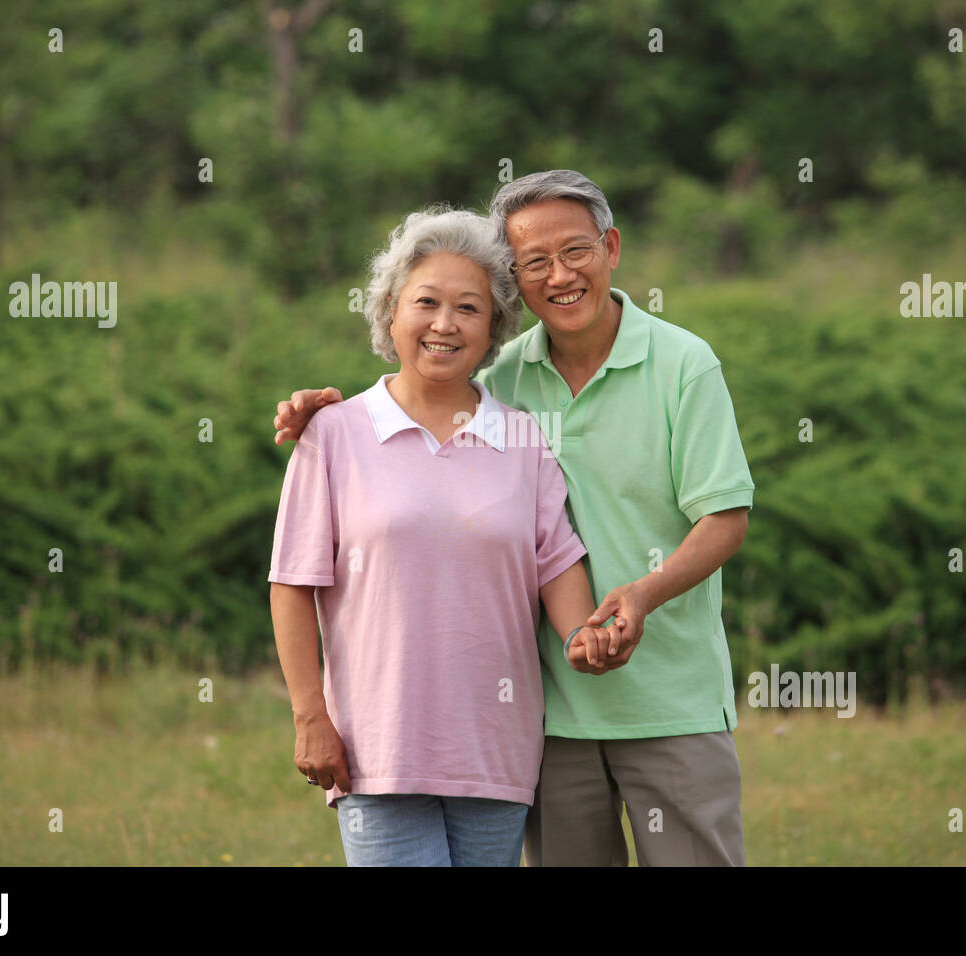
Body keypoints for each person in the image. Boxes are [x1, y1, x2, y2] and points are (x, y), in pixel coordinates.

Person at [275, 171, 755, 866]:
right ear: (517, 284)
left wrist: (632, 601)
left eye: (575, 252)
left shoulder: (681, 366)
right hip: (549, 722)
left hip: (664, 703)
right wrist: (320, 414)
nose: (558, 275)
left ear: (610, 247)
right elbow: (418, 392)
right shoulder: (502, 382)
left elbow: (721, 519)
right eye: (535, 262)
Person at [267, 205, 621, 867]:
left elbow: (555, 564)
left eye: (469, 308)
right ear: (391, 312)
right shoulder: (332, 435)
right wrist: (310, 717)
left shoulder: (521, 438)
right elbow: (292, 584)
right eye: (426, 302)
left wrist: (584, 637)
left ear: (493, 330)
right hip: (378, 751)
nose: (444, 324)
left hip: (496, 751)